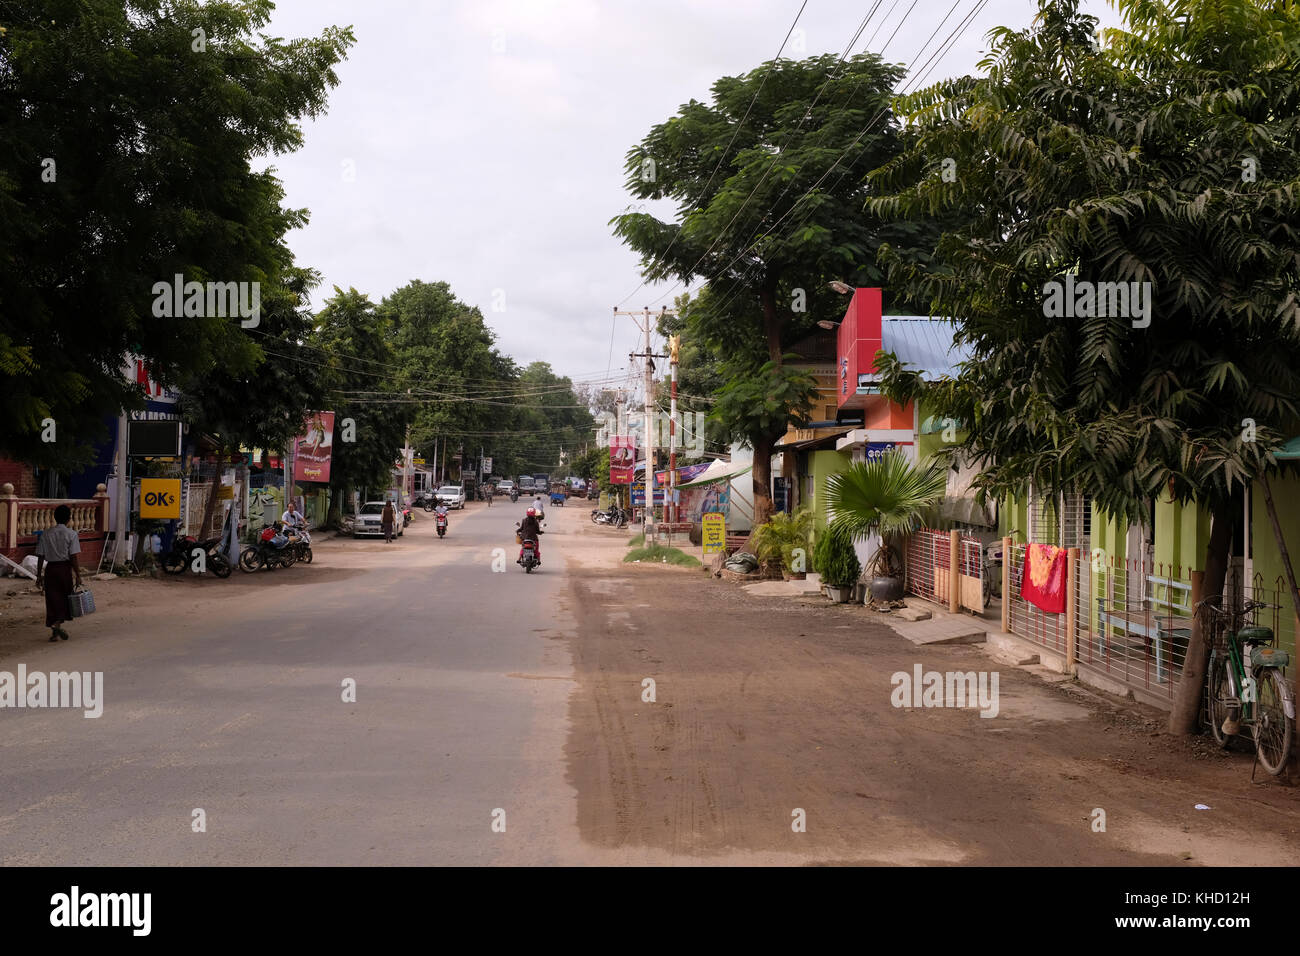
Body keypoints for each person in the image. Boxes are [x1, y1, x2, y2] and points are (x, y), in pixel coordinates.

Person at [34, 504, 82, 642]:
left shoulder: (46, 534)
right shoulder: (72, 534)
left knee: (52, 599)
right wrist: (78, 575)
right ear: (69, 518)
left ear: (54, 518)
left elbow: (40, 556)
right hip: (64, 570)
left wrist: (38, 575)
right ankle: (57, 625)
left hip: (50, 570)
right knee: (64, 598)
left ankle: (55, 628)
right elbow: (73, 556)